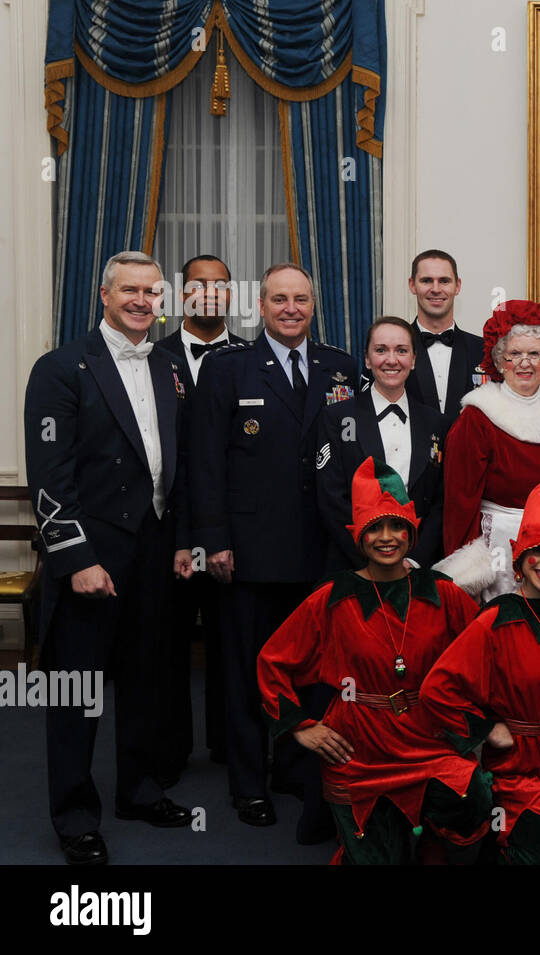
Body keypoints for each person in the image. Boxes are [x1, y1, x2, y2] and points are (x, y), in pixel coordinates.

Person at [24, 250, 194, 865]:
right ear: (104, 295)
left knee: (148, 681)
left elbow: (185, 464)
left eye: (152, 292)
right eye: (130, 291)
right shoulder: (61, 367)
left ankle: (141, 790)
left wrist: (183, 543)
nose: (143, 301)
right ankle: (74, 817)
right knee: (77, 692)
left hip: (154, 549)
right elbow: (50, 477)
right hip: (92, 552)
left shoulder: (171, 366)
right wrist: (77, 559)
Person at [189, 262, 358, 834]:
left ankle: (292, 764)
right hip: (248, 552)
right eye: (280, 299)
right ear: (260, 306)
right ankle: (247, 783)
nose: (291, 308)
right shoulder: (227, 368)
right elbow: (204, 461)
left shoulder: (340, 367)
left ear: (314, 306)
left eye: (302, 299)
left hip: (319, 551)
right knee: (243, 671)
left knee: (310, 670)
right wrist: (213, 539)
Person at [258, 458, 490, 864]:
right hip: (359, 748)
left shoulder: (441, 592)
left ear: (411, 532)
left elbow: (490, 653)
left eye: (397, 526)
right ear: (359, 535)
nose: (387, 538)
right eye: (375, 528)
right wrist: (299, 727)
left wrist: (489, 721)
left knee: (473, 796)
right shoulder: (333, 598)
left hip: (427, 739)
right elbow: (272, 661)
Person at [421, 481, 540, 863]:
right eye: (537, 552)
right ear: (520, 559)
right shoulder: (494, 620)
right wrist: (486, 730)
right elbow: (437, 690)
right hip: (521, 767)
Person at [437, 299, 540, 599]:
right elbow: (459, 504)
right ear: (499, 361)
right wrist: (465, 568)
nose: (524, 363)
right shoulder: (477, 418)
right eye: (514, 354)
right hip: (500, 553)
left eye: (534, 354)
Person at [156, 253, 248, 778]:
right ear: (181, 294)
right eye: (198, 285)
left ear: (232, 295)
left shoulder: (251, 358)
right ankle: (168, 752)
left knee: (229, 643)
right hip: (167, 528)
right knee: (166, 644)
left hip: (227, 529)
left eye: (219, 285)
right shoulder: (152, 354)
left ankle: (227, 744)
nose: (209, 293)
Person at [316, 317, 444, 572]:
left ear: (414, 359)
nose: (391, 360)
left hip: (414, 568)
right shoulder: (338, 417)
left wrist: (414, 558)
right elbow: (331, 498)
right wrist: (370, 559)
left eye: (402, 350)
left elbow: (441, 501)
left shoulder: (436, 422)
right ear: (366, 359)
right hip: (354, 567)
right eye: (381, 350)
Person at [405, 249, 486, 437]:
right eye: (426, 281)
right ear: (412, 285)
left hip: (469, 461)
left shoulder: (485, 350)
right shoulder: (390, 352)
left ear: (457, 286)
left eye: (444, 281)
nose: (435, 289)